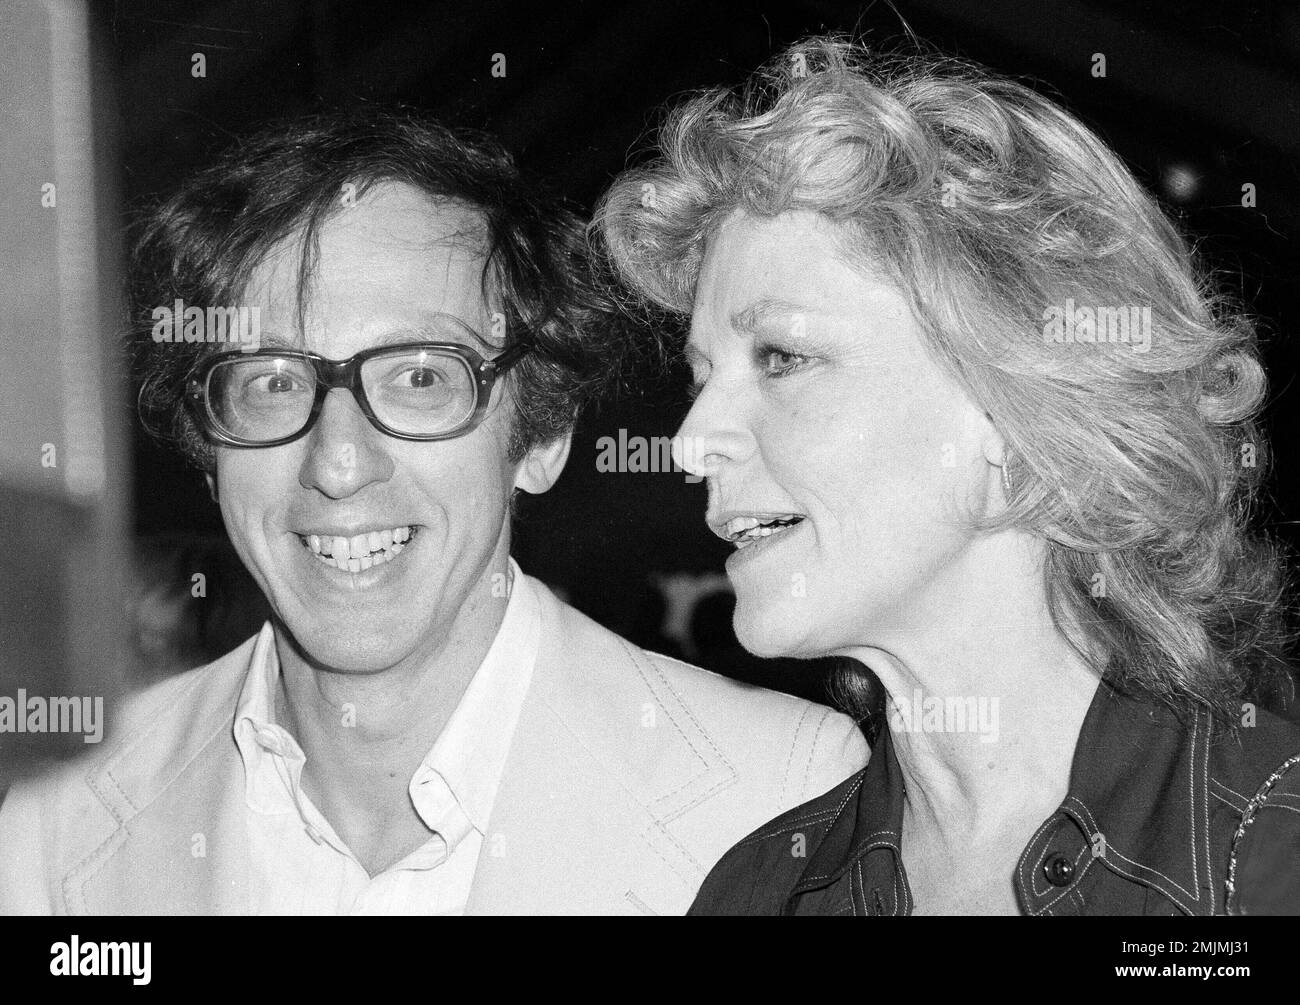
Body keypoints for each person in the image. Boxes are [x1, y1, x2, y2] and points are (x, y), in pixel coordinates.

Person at [0, 108, 867, 915]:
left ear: (541, 434)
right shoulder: (62, 809)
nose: (339, 462)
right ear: (211, 439)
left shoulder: (786, 797)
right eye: (271, 381)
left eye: (421, 376)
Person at [595, 36, 1300, 915]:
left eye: (782, 356)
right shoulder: (758, 893)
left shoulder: (1263, 853)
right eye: (702, 379)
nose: (694, 440)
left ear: (1013, 415)